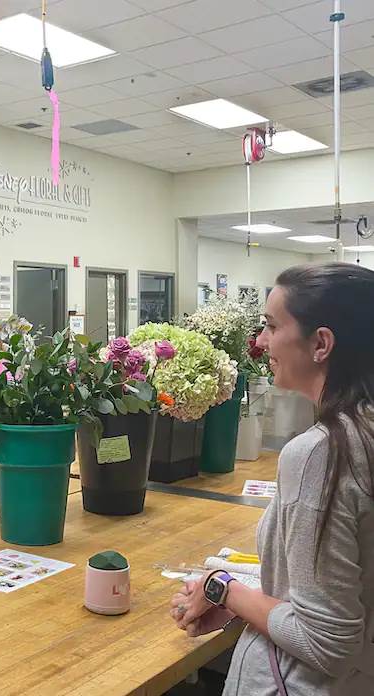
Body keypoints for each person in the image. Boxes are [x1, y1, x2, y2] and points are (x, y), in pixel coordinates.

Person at [170, 263, 374, 695]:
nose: (260, 343)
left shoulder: (322, 454)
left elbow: (328, 641)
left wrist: (222, 587)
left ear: (321, 343)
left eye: (270, 326)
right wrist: (251, 602)